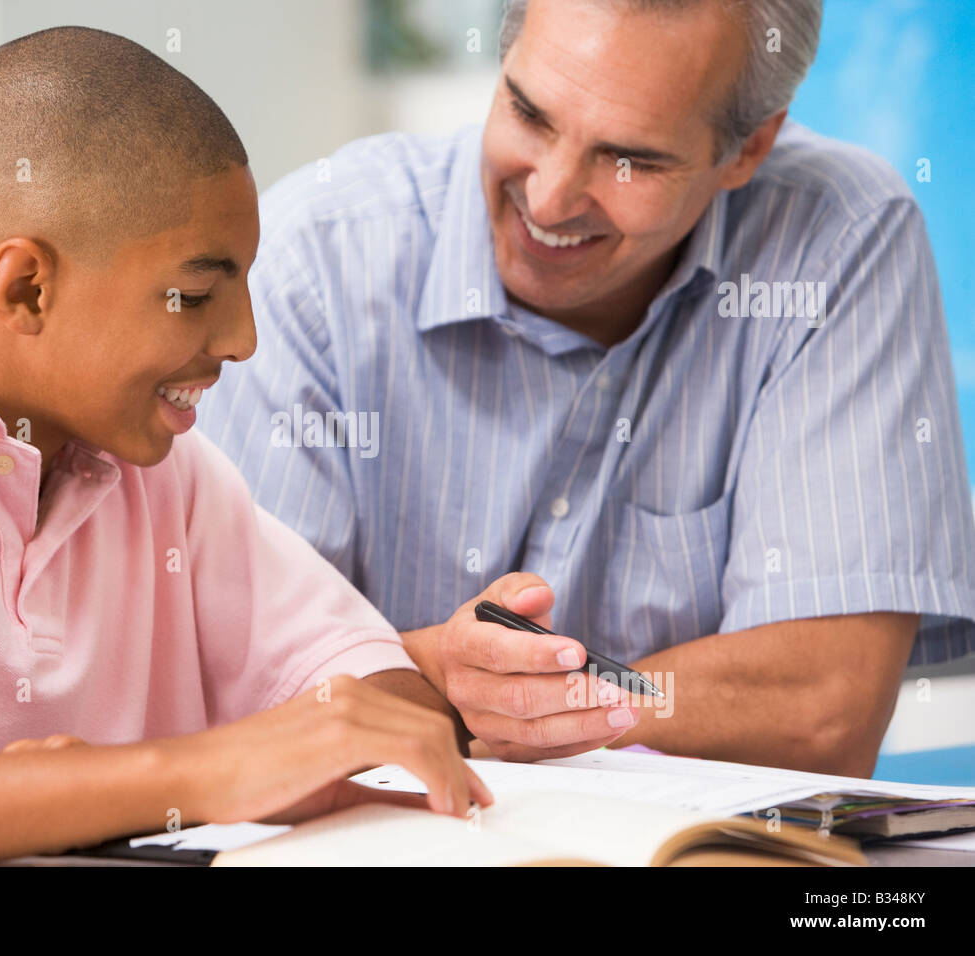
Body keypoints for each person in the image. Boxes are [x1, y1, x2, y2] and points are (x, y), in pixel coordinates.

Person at [0, 27, 495, 866]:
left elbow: (384, 703)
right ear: (27, 288)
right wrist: (167, 777)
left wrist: (332, 737)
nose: (244, 339)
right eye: (196, 294)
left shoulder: (167, 480)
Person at [198, 0, 975, 776]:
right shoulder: (313, 266)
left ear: (749, 150)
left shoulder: (839, 235)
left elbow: (821, 708)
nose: (549, 200)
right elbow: (242, 700)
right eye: (530, 114)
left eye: (628, 159)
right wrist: (490, 683)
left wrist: (480, 696)